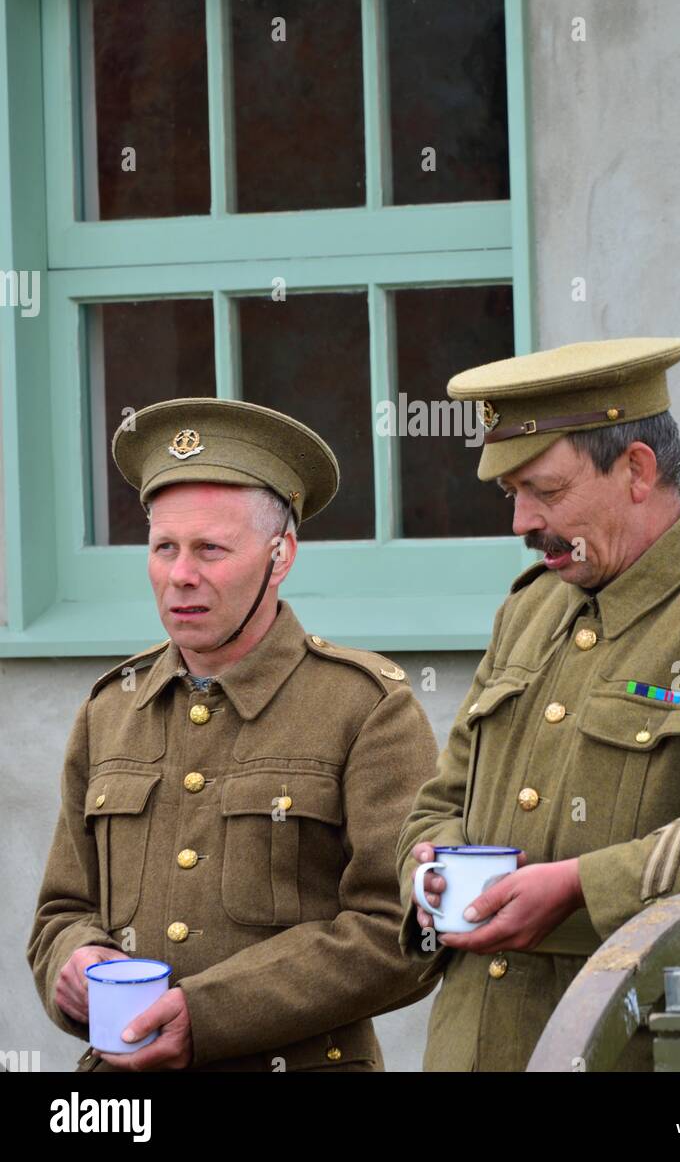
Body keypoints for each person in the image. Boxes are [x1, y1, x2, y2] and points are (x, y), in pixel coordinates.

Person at [396, 336, 680, 1072]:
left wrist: (580, 886)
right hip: (472, 1046)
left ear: (636, 470)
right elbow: (436, 805)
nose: (520, 525)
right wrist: (425, 874)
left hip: (626, 1049)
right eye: (509, 495)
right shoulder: (531, 609)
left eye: (544, 491)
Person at [27, 397, 440, 1072]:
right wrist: (73, 960)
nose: (180, 576)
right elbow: (61, 909)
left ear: (280, 557)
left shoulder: (365, 708)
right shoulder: (111, 708)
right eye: (164, 548)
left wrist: (208, 1013)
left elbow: (400, 932)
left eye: (210, 550)